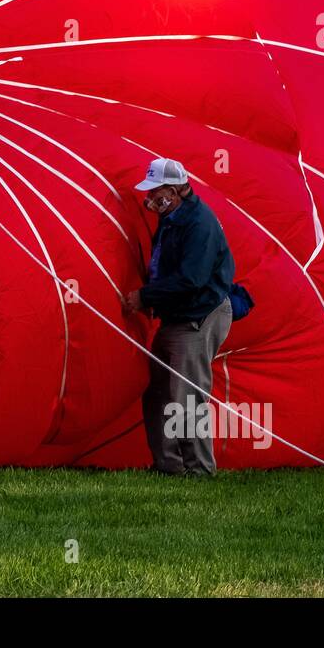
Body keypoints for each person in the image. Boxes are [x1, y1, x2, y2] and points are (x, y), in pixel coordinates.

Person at [125, 157, 234, 476]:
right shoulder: (173, 217)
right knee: (158, 389)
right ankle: (169, 465)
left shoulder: (199, 223)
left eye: (155, 192)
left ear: (173, 191)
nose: (149, 199)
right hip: (177, 316)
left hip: (198, 315)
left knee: (188, 395)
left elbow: (192, 279)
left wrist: (145, 296)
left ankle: (199, 469)